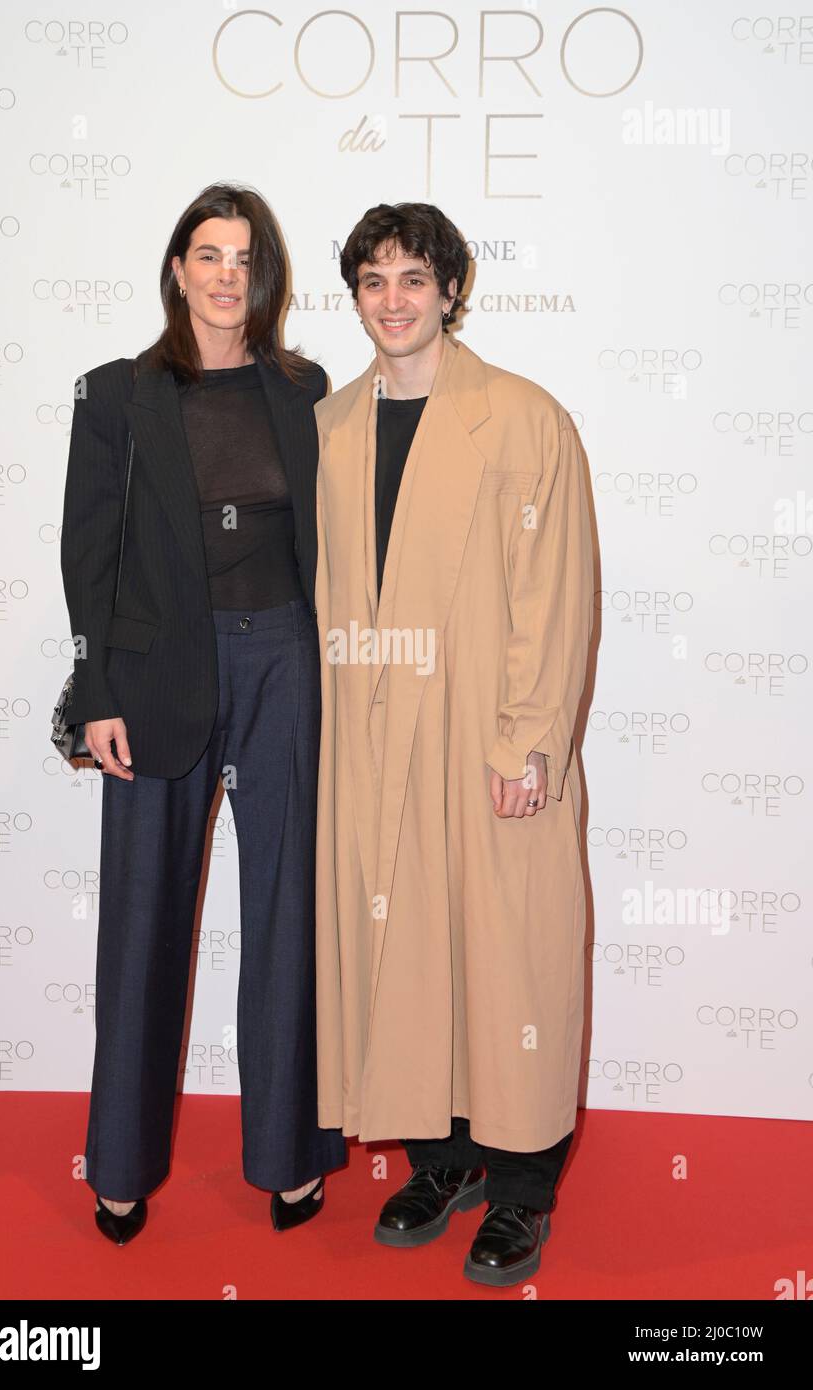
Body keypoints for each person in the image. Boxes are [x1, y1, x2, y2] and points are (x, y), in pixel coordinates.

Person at [312, 202, 595, 1286]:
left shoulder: (520, 418)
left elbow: (553, 593)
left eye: (413, 279)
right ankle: (446, 1155)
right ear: (357, 296)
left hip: (485, 730)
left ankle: (523, 1188)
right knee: (409, 951)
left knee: (507, 956)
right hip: (375, 739)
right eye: (374, 280)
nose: (393, 299)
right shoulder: (334, 426)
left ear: (449, 290)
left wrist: (529, 743)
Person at [60, 182, 345, 1246]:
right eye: (207, 253)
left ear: (262, 278)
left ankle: (287, 1154)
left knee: (287, 914)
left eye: (244, 257)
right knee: (143, 926)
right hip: (153, 679)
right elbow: (86, 557)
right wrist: (95, 695)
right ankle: (121, 1166)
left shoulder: (303, 389)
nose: (226, 273)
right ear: (177, 269)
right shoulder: (114, 396)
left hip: (282, 661)